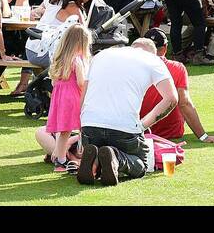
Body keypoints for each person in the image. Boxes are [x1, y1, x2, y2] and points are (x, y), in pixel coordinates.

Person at [75, 38, 177, 186]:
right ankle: (116, 157)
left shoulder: (101, 55)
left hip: (90, 125)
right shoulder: (153, 60)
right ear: (153, 53)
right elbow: (171, 99)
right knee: (141, 164)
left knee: (100, 148)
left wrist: (82, 127)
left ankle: (95, 159)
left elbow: (83, 97)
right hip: (124, 128)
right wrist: (142, 125)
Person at [138, 28, 214, 143]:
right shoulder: (177, 68)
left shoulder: (131, 69)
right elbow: (184, 103)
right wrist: (203, 136)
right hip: (170, 134)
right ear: (165, 48)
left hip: (139, 131)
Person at [46, 23, 92, 173]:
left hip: (59, 98)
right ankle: (71, 159)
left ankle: (60, 160)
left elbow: (53, 82)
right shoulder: (77, 60)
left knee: (63, 130)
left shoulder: (60, 59)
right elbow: (80, 81)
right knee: (80, 128)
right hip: (73, 97)